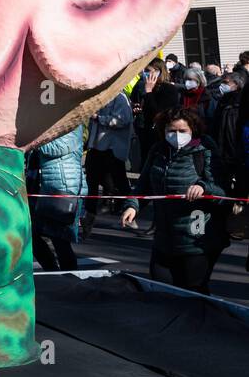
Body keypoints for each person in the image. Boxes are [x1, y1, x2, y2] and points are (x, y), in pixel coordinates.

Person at [122, 109, 225, 294]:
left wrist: (204, 187)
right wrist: (133, 206)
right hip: (164, 235)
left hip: (197, 235)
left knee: (193, 292)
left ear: (193, 129)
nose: (176, 136)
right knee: (161, 288)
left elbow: (222, 192)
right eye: (171, 131)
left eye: (182, 131)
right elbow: (144, 185)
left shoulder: (204, 149)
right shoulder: (158, 150)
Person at [26, 126, 85, 271]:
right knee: (30, 233)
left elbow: (58, 147)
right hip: (43, 186)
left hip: (63, 187)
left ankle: (70, 278)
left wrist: (33, 140)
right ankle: (52, 270)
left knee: (60, 239)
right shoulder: (50, 124)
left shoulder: (73, 125)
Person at [83, 90, 134, 236]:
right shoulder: (99, 95)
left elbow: (123, 119)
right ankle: (89, 216)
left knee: (119, 182)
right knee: (91, 182)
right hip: (96, 146)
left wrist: (99, 118)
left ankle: (131, 210)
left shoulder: (120, 97)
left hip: (112, 147)